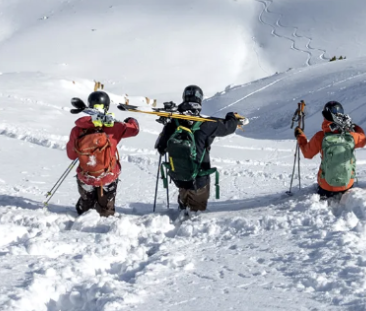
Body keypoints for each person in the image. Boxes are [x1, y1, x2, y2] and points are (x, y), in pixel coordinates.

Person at [154, 85, 240, 213]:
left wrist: (168, 125)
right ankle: (189, 215)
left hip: (179, 177)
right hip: (199, 181)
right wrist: (232, 117)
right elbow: (229, 127)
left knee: (185, 199)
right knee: (196, 215)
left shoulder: (174, 123)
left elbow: (161, 147)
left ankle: (183, 205)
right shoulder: (207, 124)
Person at [66, 91, 140, 217]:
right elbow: (134, 130)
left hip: (86, 176)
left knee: (85, 209)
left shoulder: (78, 129)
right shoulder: (116, 127)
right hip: (108, 176)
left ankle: (85, 206)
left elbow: (71, 155)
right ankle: (105, 211)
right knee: (106, 212)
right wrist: (131, 120)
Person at [296, 100, 366, 198]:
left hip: (326, 186)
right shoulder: (351, 135)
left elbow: (307, 153)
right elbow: (363, 139)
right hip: (347, 185)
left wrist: (300, 137)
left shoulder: (320, 137)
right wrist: (354, 127)